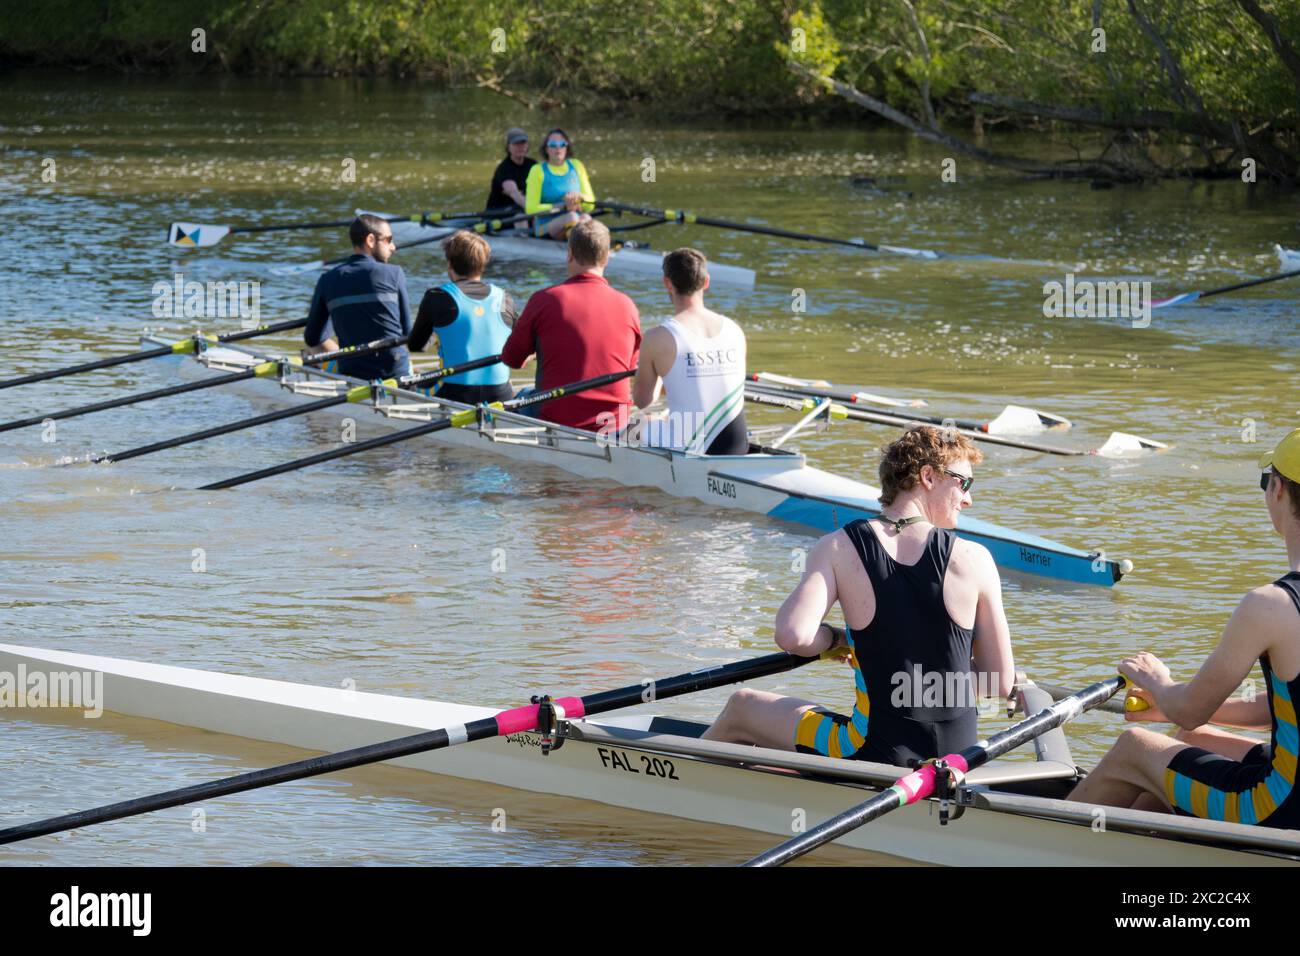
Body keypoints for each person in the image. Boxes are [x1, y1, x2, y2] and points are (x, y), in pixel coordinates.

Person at [703, 426, 1015, 767]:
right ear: (928, 476)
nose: (968, 498)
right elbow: (998, 683)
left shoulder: (838, 547)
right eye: (963, 483)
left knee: (742, 705)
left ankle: (687, 791)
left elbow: (793, 636)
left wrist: (838, 638)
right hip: (958, 760)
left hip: (873, 752)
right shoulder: (977, 559)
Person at [1070, 428, 1300, 828]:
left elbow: (1191, 710)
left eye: (1267, 481)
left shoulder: (1270, 605)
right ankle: (1128, 850)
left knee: (1134, 748)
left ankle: (1042, 844)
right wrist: (1168, 705)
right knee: (1192, 739)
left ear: (1277, 489)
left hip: (1281, 806)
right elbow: (1278, 707)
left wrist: (1160, 683)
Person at [500, 219, 640, 432]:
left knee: (520, 397)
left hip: (559, 420)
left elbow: (511, 359)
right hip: (615, 423)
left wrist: (535, 351)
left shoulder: (544, 299)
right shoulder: (628, 306)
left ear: (569, 254)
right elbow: (629, 369)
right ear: (606, 258)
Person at [632, 248, 748, 456]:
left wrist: (660, 375)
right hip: (737, 446)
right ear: (706, 282)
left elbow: (643, 401)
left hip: (690, 447)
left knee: (632, 427)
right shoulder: (735, 331)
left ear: (667, 283)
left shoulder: (658, 337)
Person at [409, 230, 518, 405]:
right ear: (483, 264)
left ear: (449, 264)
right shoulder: (505, 297)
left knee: (408, 381)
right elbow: (520, 348)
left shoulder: (437, 296)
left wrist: (436, 336)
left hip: (455, 393)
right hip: (500, 393)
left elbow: (416, 345)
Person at [302, 214, 412, 380]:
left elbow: (312, 338)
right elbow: (408, 333)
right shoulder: (394, 273)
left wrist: (338, 313)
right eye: (389, 240)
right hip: (395, 373)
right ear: (370, 240)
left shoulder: (327, 279)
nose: (393, 247)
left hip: (352, 372)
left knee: (310, 351)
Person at [524, 128, 595, 239]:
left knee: (586, 218)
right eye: (552, 144)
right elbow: (530, 209)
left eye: (562, 144)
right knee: (571, 217)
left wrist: (580, 198)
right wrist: (561, 206)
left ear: (567, 147)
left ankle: (584, 248)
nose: (558, 147)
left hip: (576, 220)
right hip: (545, 225)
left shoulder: (577, 166)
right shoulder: (537, 170)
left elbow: (591, 204)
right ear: (546, 149)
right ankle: (578, 248)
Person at [486, 127, 536, 217]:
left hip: (522, 208)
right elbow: (515, 194)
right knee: (520, 215)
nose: (520, 147)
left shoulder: (533, 164)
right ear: (508, 147)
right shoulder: (504, 169)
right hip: (500, 212)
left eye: (523, 143)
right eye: (516, 143)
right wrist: (535, 209)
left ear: (527, 145)